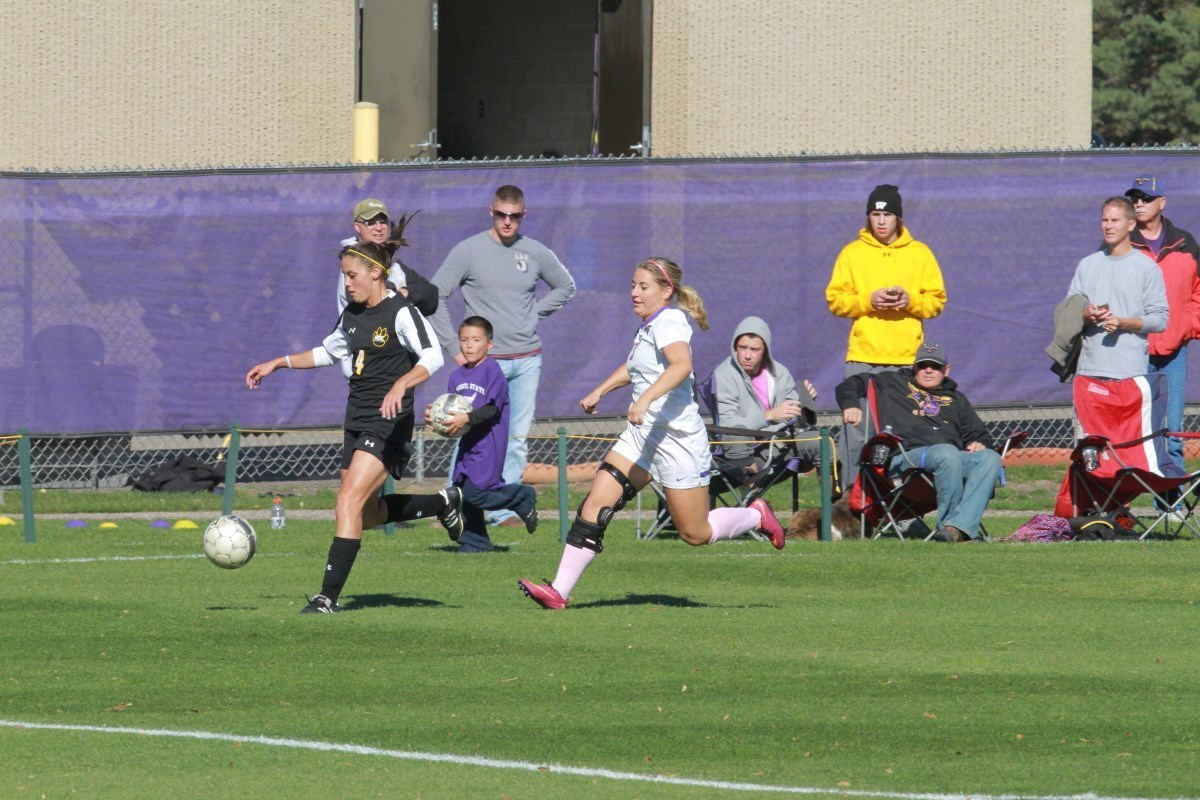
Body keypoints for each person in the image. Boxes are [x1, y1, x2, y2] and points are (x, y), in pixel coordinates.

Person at [517, 257, 786, 610]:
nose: (634, 292)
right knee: (596, 503)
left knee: (694, 533)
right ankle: (558, 592)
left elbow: (681, 366)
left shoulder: (670, 320)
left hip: (677, 440)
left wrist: (644, 399)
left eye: (643, 286)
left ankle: (756, 516)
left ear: (666, 291)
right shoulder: (648, 326)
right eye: (633, 285)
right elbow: (635, 367)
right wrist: (600, 390)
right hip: (643, 436)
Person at [246, 234, 464, 614]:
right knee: (365, 513)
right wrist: (277, 363)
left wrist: (401, 384)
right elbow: (327, 352)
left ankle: (326, 598)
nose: (346, 283)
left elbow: (432, 357)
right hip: (357, 419)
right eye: (344, 276)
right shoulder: (352, 314)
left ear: (375, 273)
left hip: (388, 422)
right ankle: (442, 502)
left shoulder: (400, 312)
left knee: (346, 501)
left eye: (352, 275)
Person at [429, 185, 576, 527]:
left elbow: (566, 286)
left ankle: (502, 510)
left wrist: (533, 314)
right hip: (484, 365)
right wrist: (454, 347)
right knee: (466, 432)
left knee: (514, 440)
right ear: (491, 212)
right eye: (501, 214)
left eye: (514, 216)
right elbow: (435, 296)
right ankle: (452, 506)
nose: (507, 221)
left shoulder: (535, 251)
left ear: (524, 215)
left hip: (527, 362)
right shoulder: (468, 250)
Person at [825, 184, 946, 486]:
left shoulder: (919, 253)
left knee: (904, 432)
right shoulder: (852, 253)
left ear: (898, 218)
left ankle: (902, 498)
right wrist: (868, 300)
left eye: (887, 215)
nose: (881, 221)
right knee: (857, 432)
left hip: (906, 360)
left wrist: (910, 301)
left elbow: (937, 301)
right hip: (863, 358)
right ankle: (854, 499)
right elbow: (835, 300)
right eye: (875, 214)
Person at [835, 341, 999, 543]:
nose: (928, 370)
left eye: (935, 366)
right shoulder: (892, 382)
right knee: (947, 453)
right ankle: (950, 527)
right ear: (915, 367)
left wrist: (979, 443)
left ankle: (957, 528)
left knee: (989, 458)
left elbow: (978, 433)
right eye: (923, 365)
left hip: (950, 463)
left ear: (946, 370)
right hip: (905, 461)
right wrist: (850, 405)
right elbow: (850, 385)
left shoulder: (957, 399)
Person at [426, 316, 539, 553]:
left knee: (476, 494)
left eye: (476, 340)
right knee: (461, 490)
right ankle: (475, 543)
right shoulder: (456, 376)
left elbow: (491, 409)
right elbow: (451, 411)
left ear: (489, 344)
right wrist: (437, 420)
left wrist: (465, 418)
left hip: (489, 444)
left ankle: (521, 496)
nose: (469, 345)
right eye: (464, 340)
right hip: (468, 444)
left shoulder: (492, 371)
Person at [1123, 176, 1200, 507]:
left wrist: (1189, 326)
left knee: (1172, 429)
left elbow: (1197, 289)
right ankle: (1120, 505)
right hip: (1132, 350)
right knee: (1134, 430)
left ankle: (1170, 505)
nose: (1140, 204)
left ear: (1162, 203)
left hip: (1173, 352)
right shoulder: (1123, 242)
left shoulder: (1184, 242)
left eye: (1146, 198)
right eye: (1135, 198)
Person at [707, 315, 819, 487]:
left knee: (822, 442)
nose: (747, 355)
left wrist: (804, 406)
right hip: (742, 453)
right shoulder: (724, 374)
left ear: (765, 351)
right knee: (735, 437)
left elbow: (795, 422)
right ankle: (753, 498)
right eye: (742, 348)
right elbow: (728, 425)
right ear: (734, 347)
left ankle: (836, 502)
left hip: (779, 444)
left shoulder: (780, 373)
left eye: (754, 349)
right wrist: (767, 416)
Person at [1067, 196, 1168, 381]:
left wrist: (1122, 322)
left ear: (1131, 224)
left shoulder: (1147, 268)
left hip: (1129, 372)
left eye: (1115, 220)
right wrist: (1086, 315)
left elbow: (1160, 320)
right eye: (1105, 220)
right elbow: (1069, 313)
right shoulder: (1086, 265)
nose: (1108, 226)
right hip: (1088, 371)